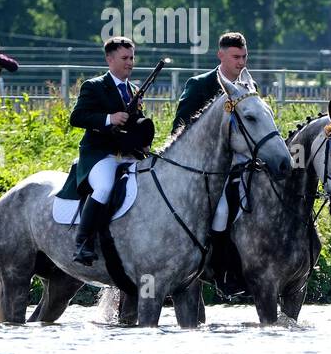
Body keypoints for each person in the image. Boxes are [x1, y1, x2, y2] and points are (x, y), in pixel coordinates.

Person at [170, 31, 256, 296]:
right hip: (206, 169)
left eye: (243, 57)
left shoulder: (249, 87)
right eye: (235, 57)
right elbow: (180, 128)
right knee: (220, 211)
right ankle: (221, 270)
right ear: (221, 55)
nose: (240, 62)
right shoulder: (200, 84)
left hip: (241, 164)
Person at [67, 36, 155, 265]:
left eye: (132, 57)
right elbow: (76, 117)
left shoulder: (134, 90)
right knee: (104, 187)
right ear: (110, 59)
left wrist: (143, 143)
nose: (130, 63)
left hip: (128, 155)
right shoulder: (94, 86)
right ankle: (82, 242)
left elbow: (135, 125)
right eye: (125, 58)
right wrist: (109, 118)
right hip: (99, 155)